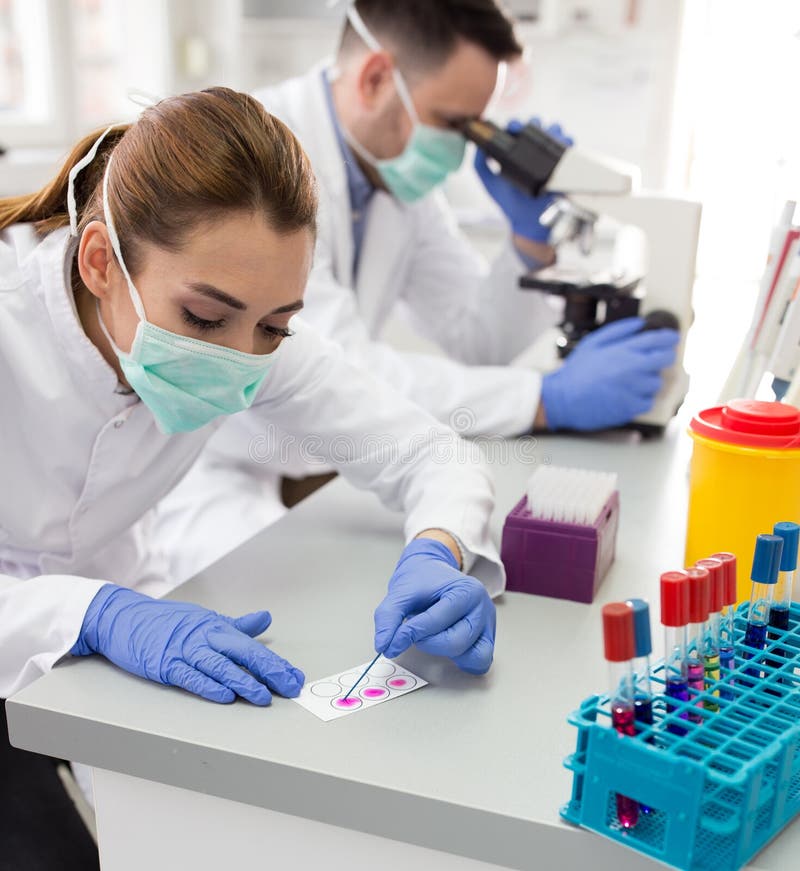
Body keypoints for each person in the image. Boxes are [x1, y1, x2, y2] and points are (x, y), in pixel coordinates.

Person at [0, 86, 502, 716]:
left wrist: (439, 548)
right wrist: (94, 614)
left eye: (274, 326)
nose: (238, 356)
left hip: (121, 635)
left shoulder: (248, 338)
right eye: (204, 317)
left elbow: (430, 454)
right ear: (101, 264)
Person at [153, 0, 679, 581]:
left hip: (313, 459)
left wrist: (530, 243)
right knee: (274, 599)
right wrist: (543, 399)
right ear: (377, 78)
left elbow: (476, 338)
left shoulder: (394, 176)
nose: (462, 148)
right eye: (454, 124)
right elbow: (348, 370)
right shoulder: (261, 172)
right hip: (205, 465)